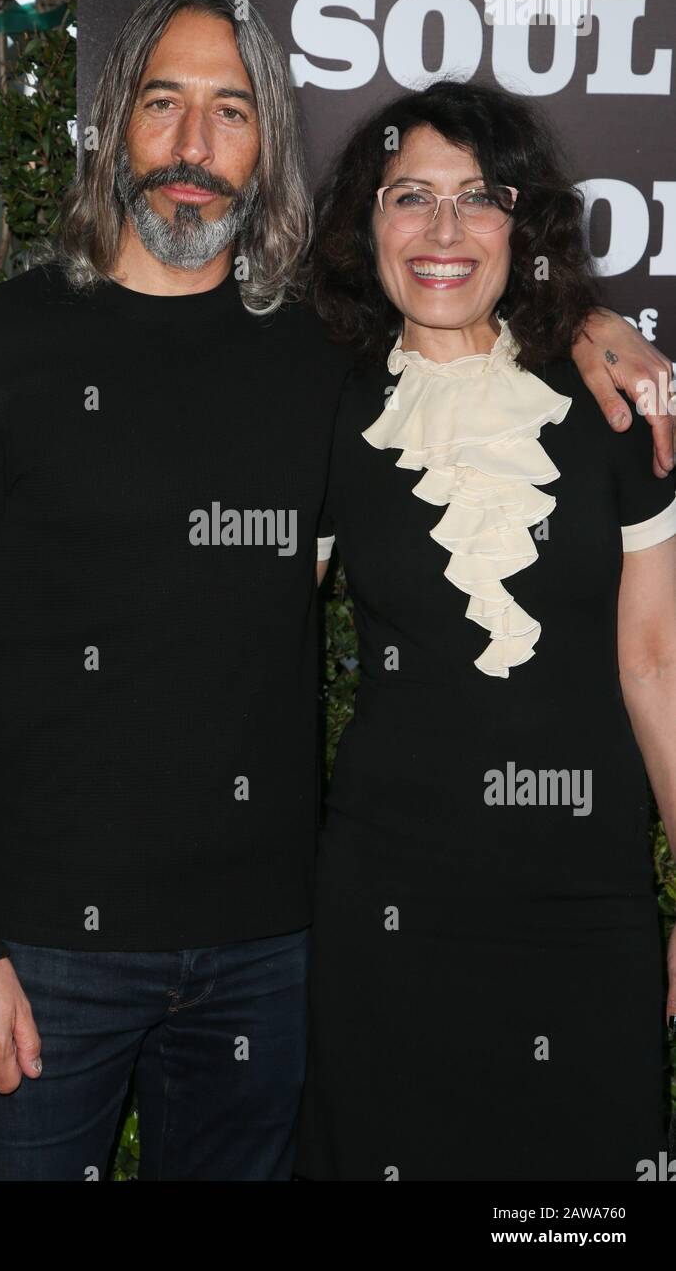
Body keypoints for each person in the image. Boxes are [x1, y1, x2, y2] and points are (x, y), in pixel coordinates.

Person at [0, 0, 673, 1183]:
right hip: (47, 956)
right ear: (113, 121)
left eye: (232, 111)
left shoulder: (313, 357)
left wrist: (589, 324)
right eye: (164, 103)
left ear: (266, 153)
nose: (193, 145)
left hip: (273, 950)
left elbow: (465, 319)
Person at [294, 79, 676, 1181]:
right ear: (366, 223)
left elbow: (654, 663)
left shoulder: (611, 406)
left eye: (478, 197)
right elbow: (246, 642)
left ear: (526, 223)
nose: (443, 231)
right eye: (409, 196)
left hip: (581, 900)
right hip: (386, 903)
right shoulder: (326, 411)